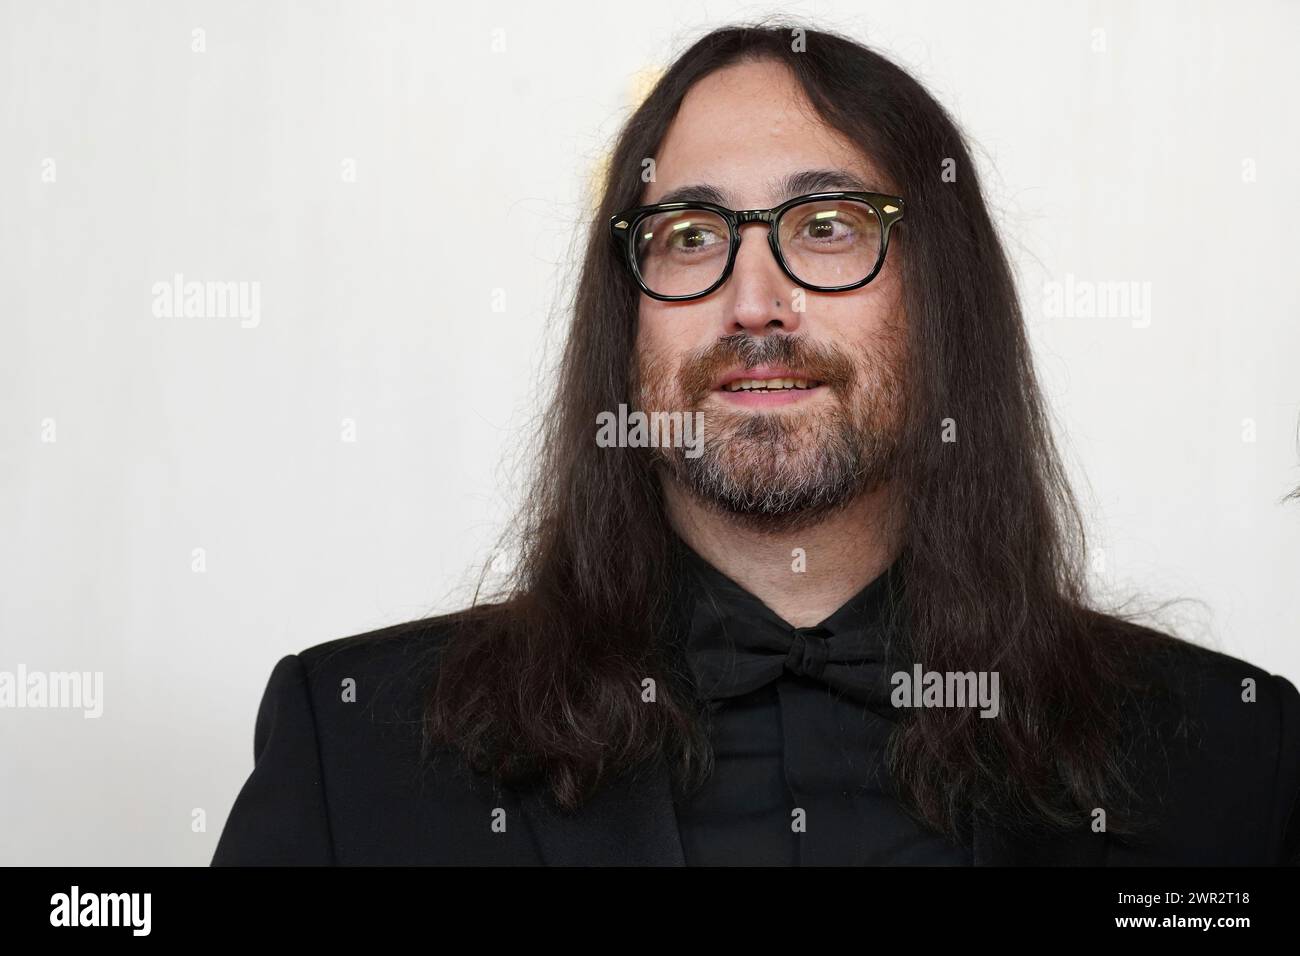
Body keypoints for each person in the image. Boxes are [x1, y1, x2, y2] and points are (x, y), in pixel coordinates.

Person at [212, 21, 1300, 866]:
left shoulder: (1230, 761)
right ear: (625, 315)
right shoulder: (353, 753)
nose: (754, 301)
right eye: (690, 237)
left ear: (942, 299)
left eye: (828, 227)